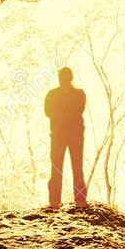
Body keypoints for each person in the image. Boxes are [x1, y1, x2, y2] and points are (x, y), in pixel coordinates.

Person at [44, 67, 87, 209]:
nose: (64, 80)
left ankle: (77, 200)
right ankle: (56, 201)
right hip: (61, 135)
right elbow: (48, 111)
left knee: (75, 166)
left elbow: (77, 110)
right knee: (58, 167)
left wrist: (60, 117)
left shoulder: (78, 94)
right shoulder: (55, 94)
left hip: (68, 135)